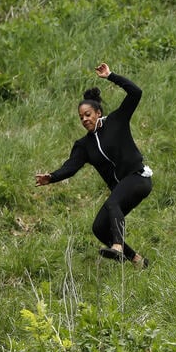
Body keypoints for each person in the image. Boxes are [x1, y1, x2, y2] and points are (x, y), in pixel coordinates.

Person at [35, 64, 151, 268]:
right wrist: (51, 177)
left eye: (88, 114)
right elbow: (70, 167)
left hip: (138, 177)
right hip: (122, 188)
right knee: (99, 227)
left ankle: (117, 246)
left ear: (98, 112)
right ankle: (138, 261)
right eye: (81, 117)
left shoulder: (117, 120)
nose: (84, 119)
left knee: (112, 203)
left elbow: (136, 92)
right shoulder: (84, 146)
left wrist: (110, 76)